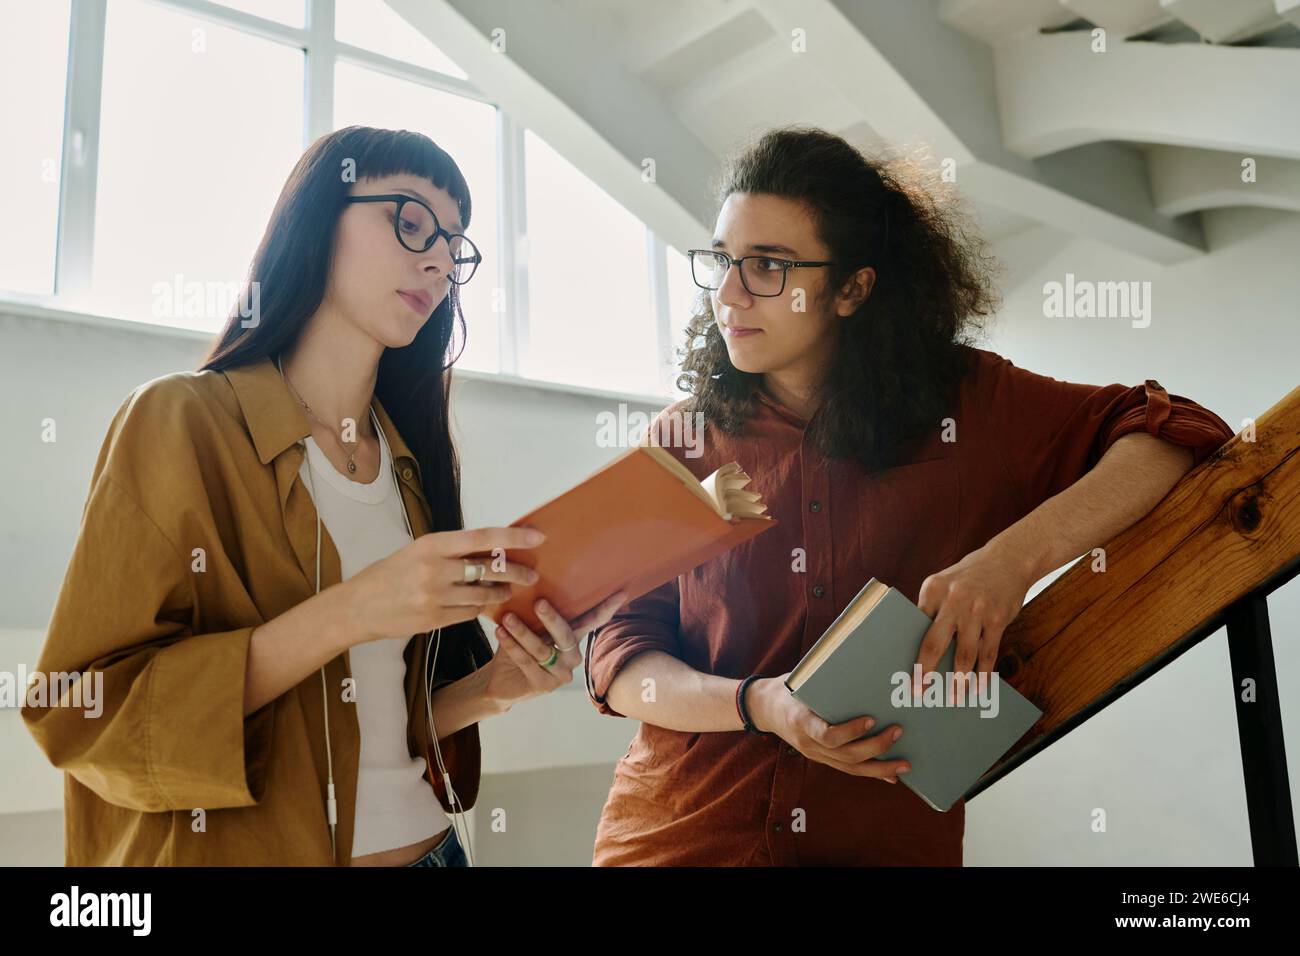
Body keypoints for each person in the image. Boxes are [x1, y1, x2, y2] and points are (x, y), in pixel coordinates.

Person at [570, 126, 1235, 866]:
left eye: (766, 265)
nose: (728, 293)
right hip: (673, 842)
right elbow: (617, 659)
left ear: (853, 288)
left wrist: (1011, 561)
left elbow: (1174, 433)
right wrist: (762, 705)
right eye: (723, 260)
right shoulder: (681, 439)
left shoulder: (973, 406)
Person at [21, 126, 625, 866]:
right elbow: (79, 715)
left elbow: (365, 729)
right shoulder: (179, 421)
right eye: (409, 222)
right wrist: (353, 608)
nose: (439, 260)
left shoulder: (408, 463)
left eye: (455, 248)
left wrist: (495, 685)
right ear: (317, 219)